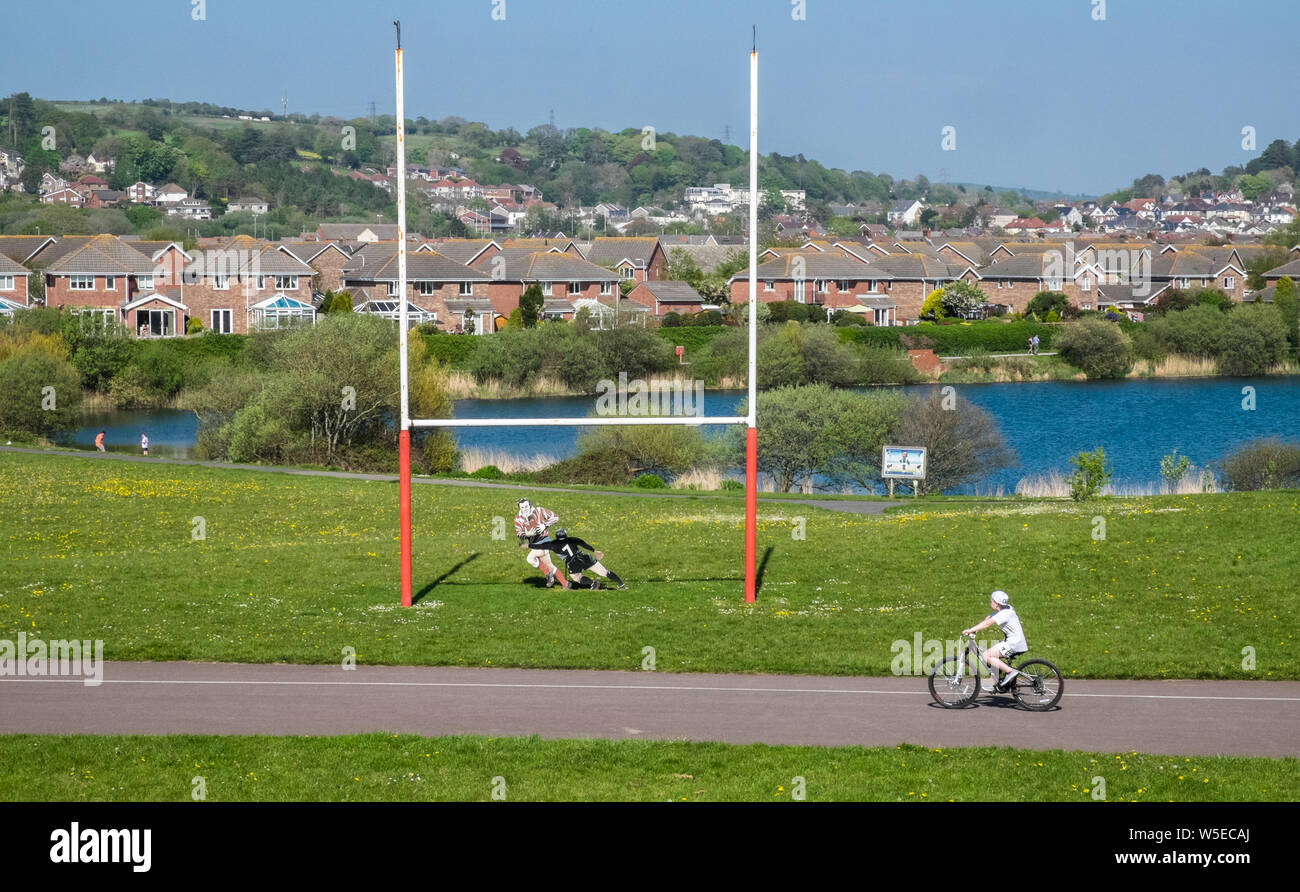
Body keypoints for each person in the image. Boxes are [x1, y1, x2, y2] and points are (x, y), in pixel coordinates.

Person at [961, 590, 1028, 692]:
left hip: (1013, 643)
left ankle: (1010, 672)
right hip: (1013, 641)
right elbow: (989, 618)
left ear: (996, 603)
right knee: (991, 655)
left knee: (986, 655)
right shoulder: (1006, 608)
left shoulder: (1004, 614)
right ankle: (999, 681)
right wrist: (976, 629)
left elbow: (987, 624)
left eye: (991, 601)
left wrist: (970, 630)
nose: (990, 602)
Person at [534, 529, 627, 591]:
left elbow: (540, 546)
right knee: (605, 572)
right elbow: (584, 544)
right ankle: (621, 584)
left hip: (572, 562)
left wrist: (527, 545)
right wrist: (594, 551)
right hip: (584, 557)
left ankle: (593, 583)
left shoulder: (554, 544)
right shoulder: (572, 539)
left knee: (577, 577)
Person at [513, 498, 568, 589]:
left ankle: (548, 575)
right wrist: (526, 534)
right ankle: (565, 583)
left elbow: (556, 517)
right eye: (522, 507)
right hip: (534, 543)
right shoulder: (518, 519)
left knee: (530, 559)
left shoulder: (539, 510)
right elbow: (519, 534)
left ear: (530, 504)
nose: (525, 508)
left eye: (526, 506)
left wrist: (545, 525)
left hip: (544, 540)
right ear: (519, 508)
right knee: (549, 566)